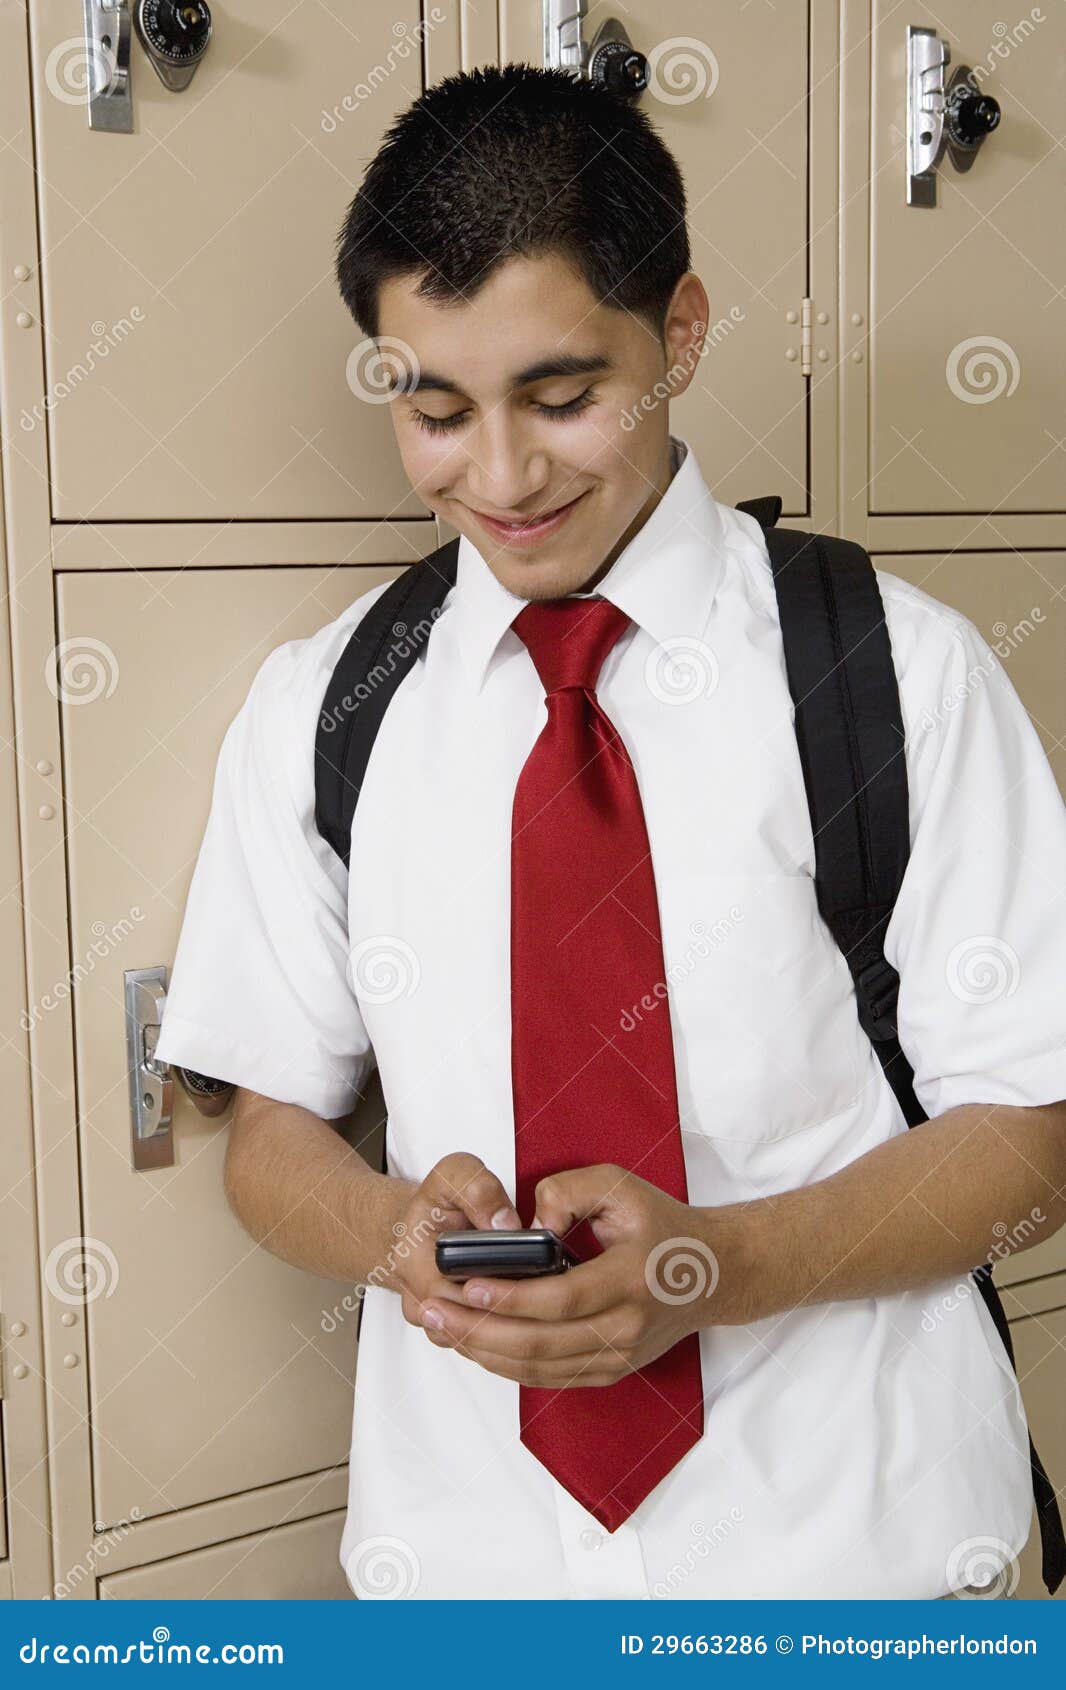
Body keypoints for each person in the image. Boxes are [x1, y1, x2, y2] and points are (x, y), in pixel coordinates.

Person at [155, 63, 1066, 1600]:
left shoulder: (888, 670)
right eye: (434, 410)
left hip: (870, 1562)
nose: (499, 478)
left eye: (563, 398)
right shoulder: (329, 704)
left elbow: (1032, 1137)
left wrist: (720, 1263)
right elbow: (269, 1139)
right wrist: (389, 1230)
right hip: (472, 1581)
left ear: (681, 334)